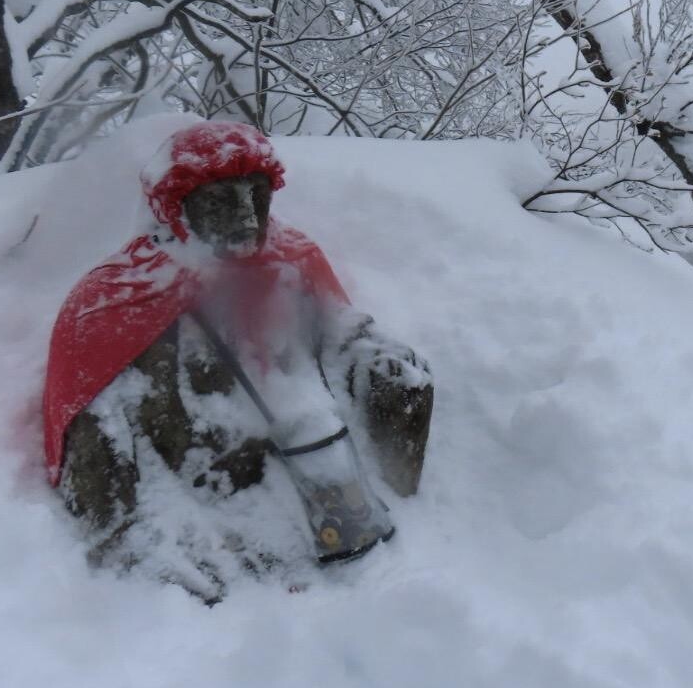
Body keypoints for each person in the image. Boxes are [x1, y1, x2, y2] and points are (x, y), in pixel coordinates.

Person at [43, 121, 433, 601]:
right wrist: (128, 529)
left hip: (306, 471)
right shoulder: (112, 298)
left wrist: (374, 356)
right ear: (178, 208)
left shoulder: (292, 258)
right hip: (191, 485)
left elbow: (335, 329)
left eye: (258, 197)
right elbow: (92, 426)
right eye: (222, 202)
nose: (249, 220)